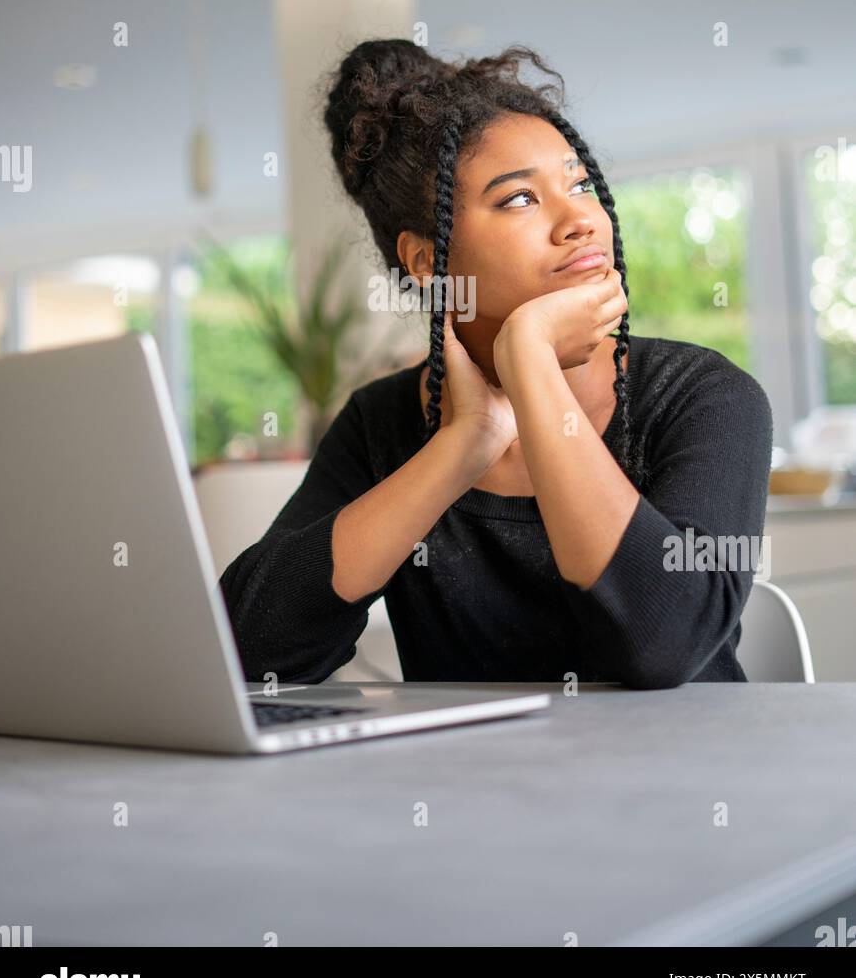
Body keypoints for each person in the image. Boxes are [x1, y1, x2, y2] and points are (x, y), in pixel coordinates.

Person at [219, 40, 773, 689]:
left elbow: (662, 645)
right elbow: (248, 651)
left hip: (684, 781)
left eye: (579, 184)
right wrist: (461, 447)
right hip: (470, 787)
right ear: (427, 261)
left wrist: (530, 360)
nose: (578, 220)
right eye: (517, 200)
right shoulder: (384, 424)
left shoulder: (700, 395)